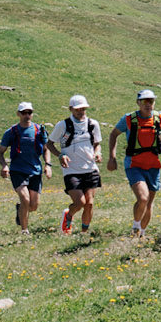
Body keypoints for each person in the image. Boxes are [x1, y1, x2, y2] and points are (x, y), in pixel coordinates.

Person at [107, 89, 161, 235]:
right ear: (138, 102)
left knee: (149, 203)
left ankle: (141, 234)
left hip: (153, 166)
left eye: (150, 101)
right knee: (143, 198)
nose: (148, 104)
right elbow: (113, 134)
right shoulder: (128, 119)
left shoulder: (160, 118)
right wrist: (112, 157)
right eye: (144, 101)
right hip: (134, 165)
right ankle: (136, 226)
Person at [49, 95, 105, 235]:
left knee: (90, 203)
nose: (81, 112)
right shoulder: (63, 125)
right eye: (78, 109)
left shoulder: (93, 124)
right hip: (71, 170)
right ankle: (69, 215)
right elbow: (49, 144)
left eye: (83, 109)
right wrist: (60, 155)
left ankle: (83, 232)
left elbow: (97, 144)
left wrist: (97, 153)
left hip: (90, 168)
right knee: (80, 202)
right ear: (71, 109)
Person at [0, 102, 51, 231]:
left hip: (35, 171)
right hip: (17, 170)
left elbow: (46, 149)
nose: (27, 115)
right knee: (25, 199)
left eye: (29, 113)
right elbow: (0, 153)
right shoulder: (11, 132)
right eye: (23, 113)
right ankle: (24, 230)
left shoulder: (39, 130)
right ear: (18, 114)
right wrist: (4, 165)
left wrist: (48, 165)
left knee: (33, 206)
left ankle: (20, 209)